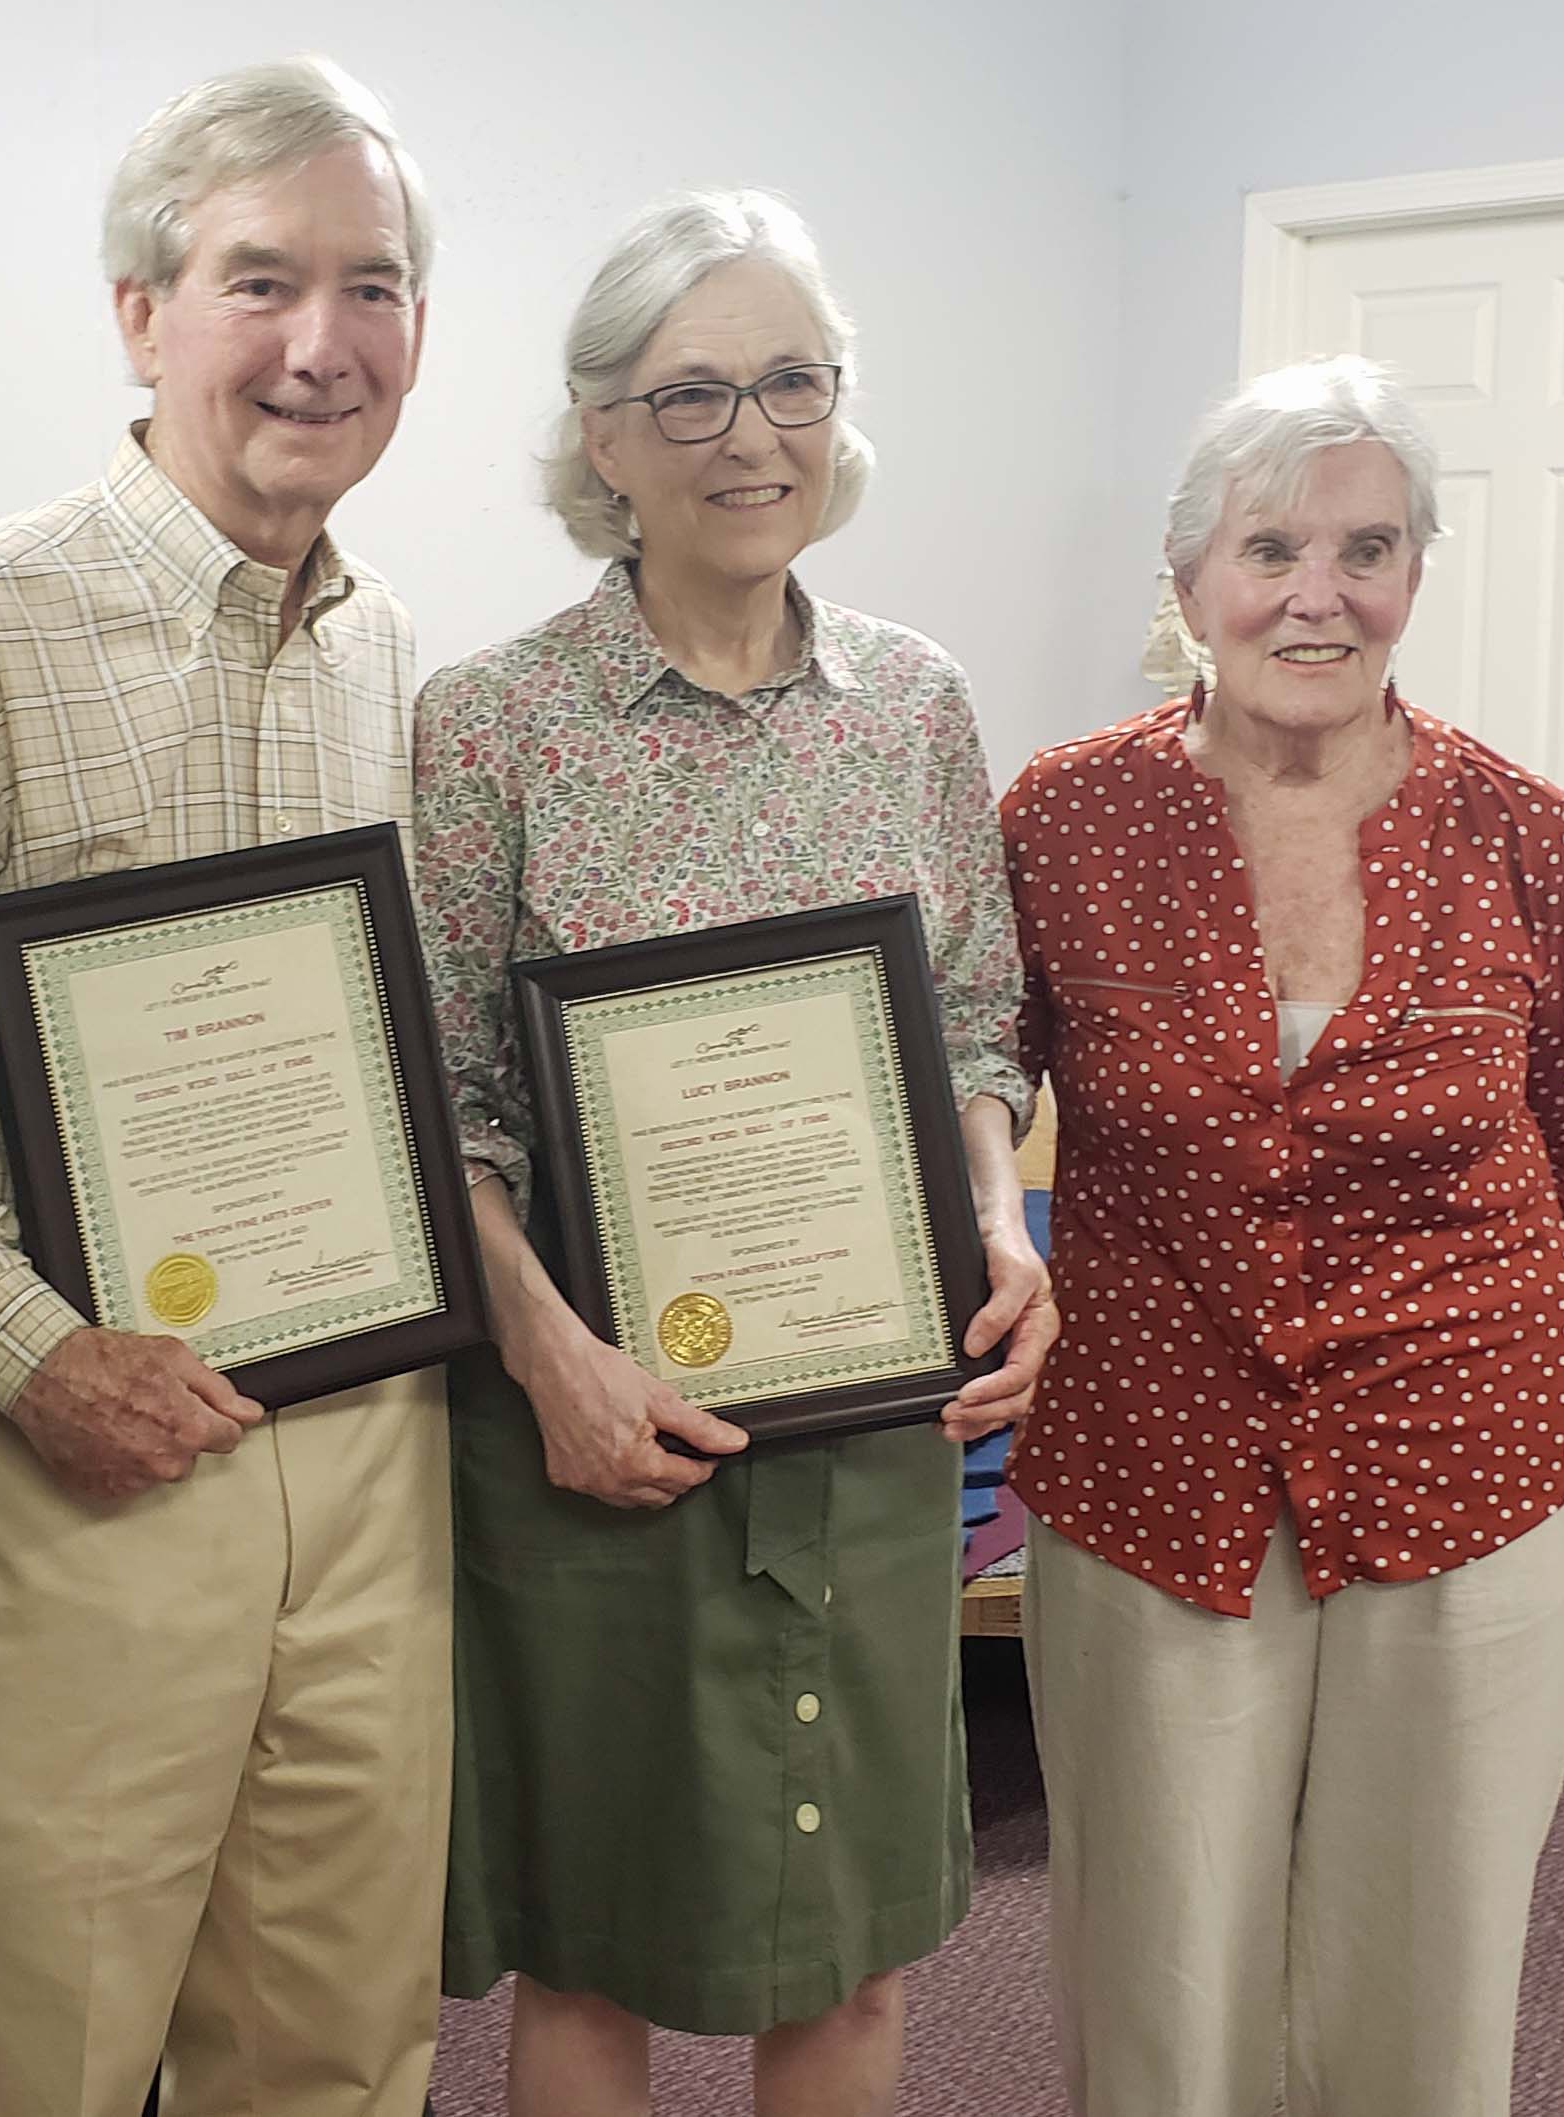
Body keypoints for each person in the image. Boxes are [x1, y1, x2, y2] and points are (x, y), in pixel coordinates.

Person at [0, 55, 446, 2117]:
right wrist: (34, 1350)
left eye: (373, 286)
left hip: (360, 1474)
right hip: (55, 1472)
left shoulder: (392, 663)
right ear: (137, 312)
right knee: (56, 2064)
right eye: (259, 279)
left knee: (336, 2057)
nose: (318, 344)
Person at [412, 189, 1057, 2117]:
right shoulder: (490, 726)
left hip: (857, 1415)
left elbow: (967, 1023)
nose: (749, 437)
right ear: (600, 436)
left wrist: (999, 1234)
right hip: (597, 1419)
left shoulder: (913, 707)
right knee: (591, 1948)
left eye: (790, 383)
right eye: (687, 395)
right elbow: (442, 1104)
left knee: (846, 1953)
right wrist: (552, 1360)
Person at [1003, 356, 1564, 2117]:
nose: (1316, 591)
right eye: (1268, 544)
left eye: (1365, 547)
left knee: (1424, 1954)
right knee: (1160, 1953)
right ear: (1188, 578)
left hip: (1467, 1448)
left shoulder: (1520, 832)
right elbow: (977, 1086)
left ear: (1413, 579)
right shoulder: (1057, 821)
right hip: (1156, 1445)